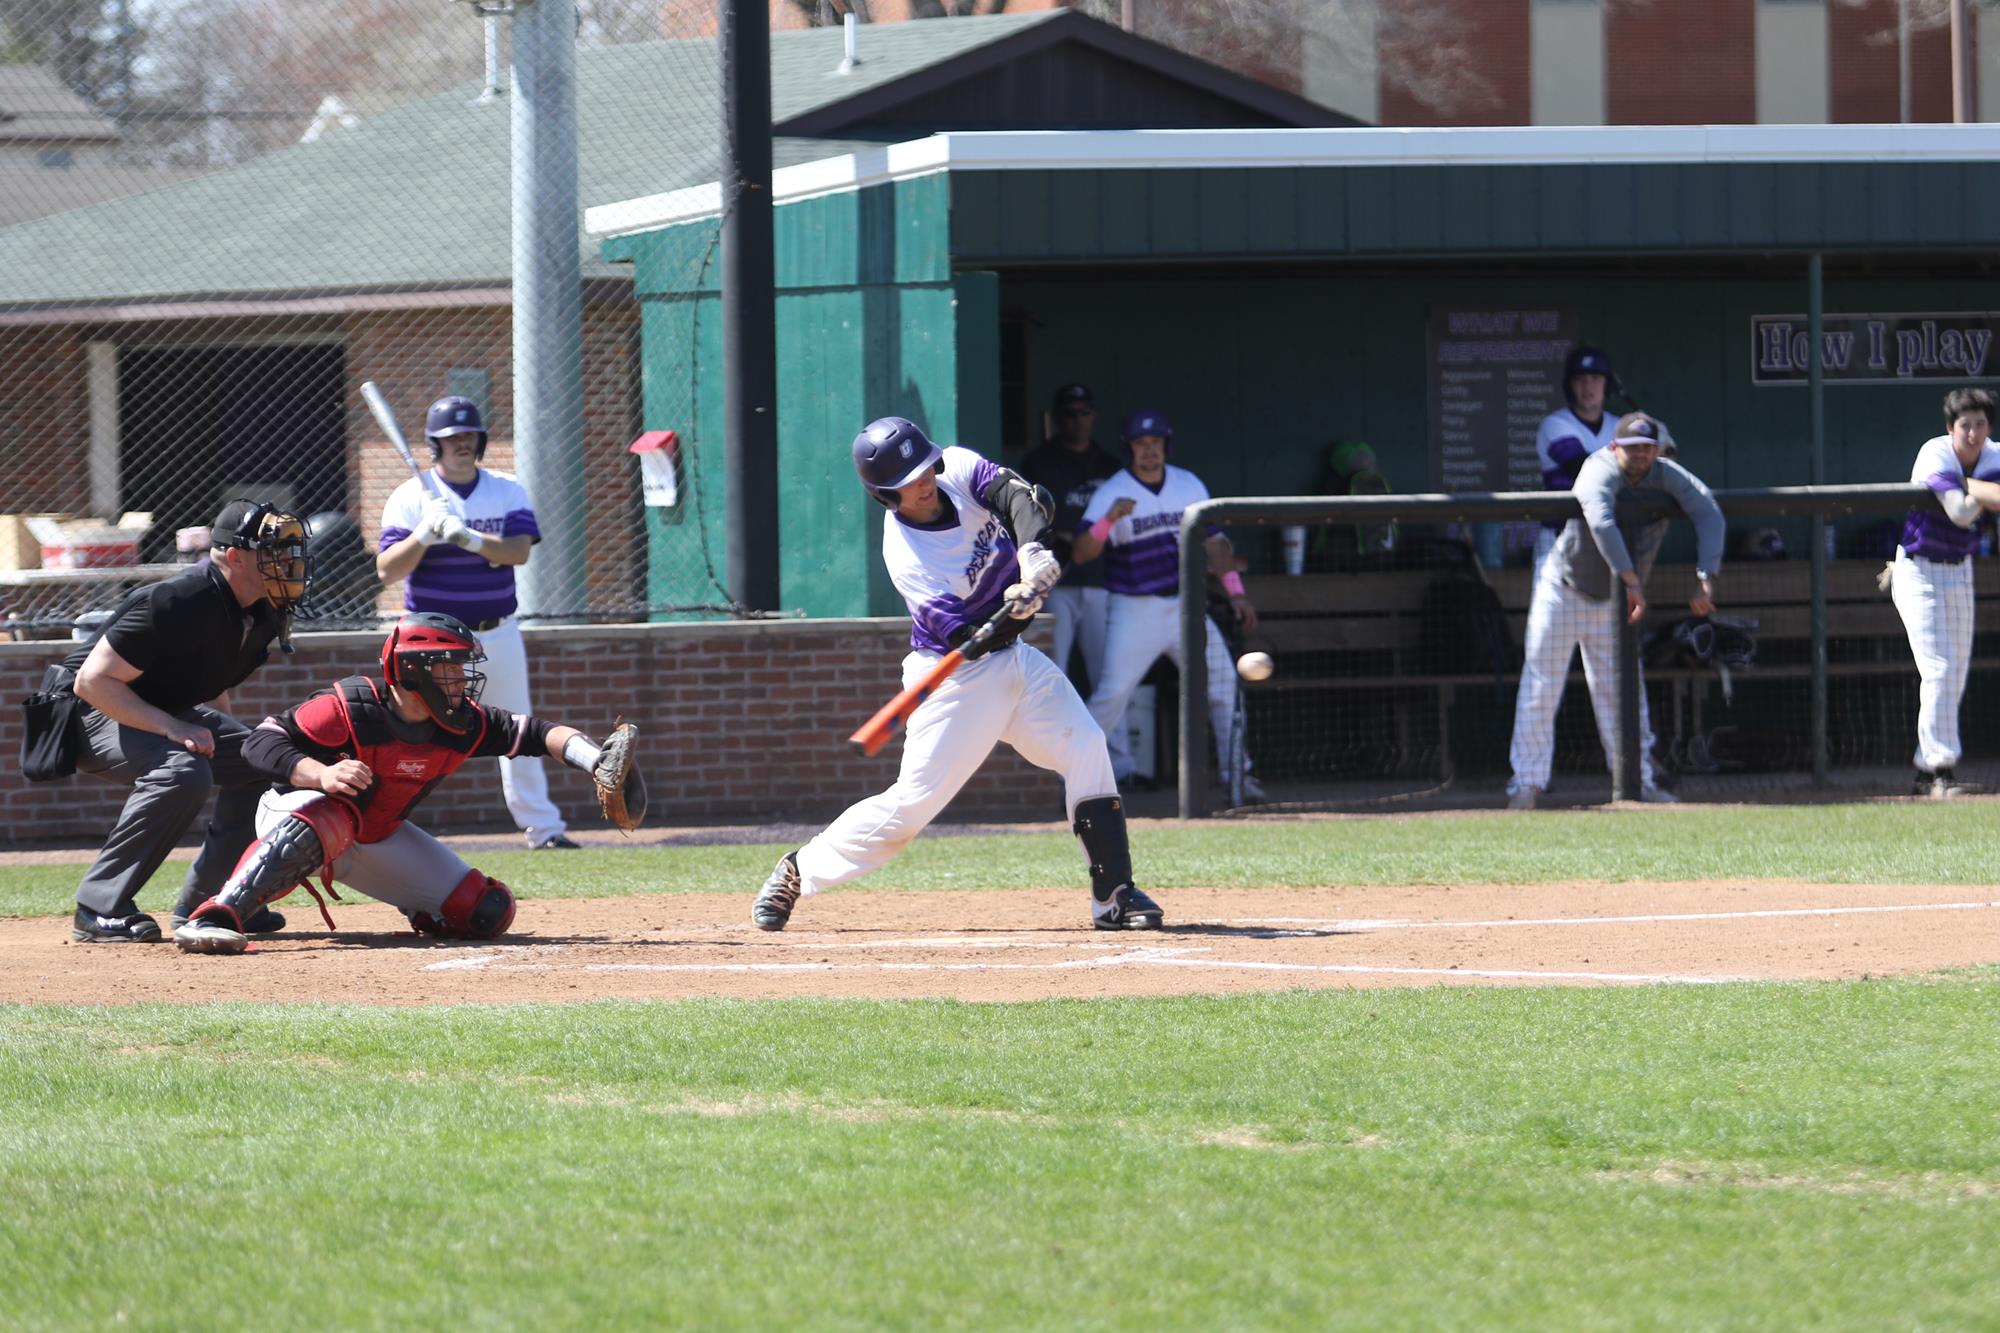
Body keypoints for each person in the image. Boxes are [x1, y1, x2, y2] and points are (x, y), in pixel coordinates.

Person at [750, 416, 1162, 935]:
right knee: (910, 806)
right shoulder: (906, 553)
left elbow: (1018, 497)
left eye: (924, 470)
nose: (923, 485)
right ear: (885, 495)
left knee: (1085, 744)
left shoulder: (959, 469)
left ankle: (1115, 895)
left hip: (1015, 657)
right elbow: (964, 635)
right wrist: (1020, 605)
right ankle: (798, 869)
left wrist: (1032, 554)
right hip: (957, 675)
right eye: (907, 483)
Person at [173, 613, 637, 954]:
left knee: (486, 911)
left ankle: (417, 905)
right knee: (337, 812)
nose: (461, 679)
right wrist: (322, 774)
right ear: (414, 671)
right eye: (449, 668)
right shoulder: (352, 706)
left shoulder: (462, 723)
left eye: (461, 668)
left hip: (373, 834)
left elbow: (537, 733)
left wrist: (596, 760)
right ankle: (219, 913)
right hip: (293, 812)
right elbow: (261, 745)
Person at [57, 499, 309, 942]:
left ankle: (212, 903)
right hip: (87, 711)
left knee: (261, 763)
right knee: (184, 769)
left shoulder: (263, 608)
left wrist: (237, 749)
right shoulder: (178, 599)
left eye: (289, 550)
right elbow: (92, 683)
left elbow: (212, 680)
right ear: (234, 556)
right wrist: (174, 729)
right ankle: (98, 907)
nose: (287, 561)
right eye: (273, 551)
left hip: (151, 706)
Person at [376, 395, 574, 850]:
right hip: (429, 639)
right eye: (451, 438)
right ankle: (384, 824)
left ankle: (544, 831)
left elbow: (518, 551)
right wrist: (425, 535)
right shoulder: (410, 496)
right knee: (414, 731)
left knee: (518, 730)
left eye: (468, 436)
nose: (461, 444)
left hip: (495, 631)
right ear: (435, 444)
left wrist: (466, 537)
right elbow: (388, 569)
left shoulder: (506, 489)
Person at [1506, 412, 1724, 809]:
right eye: (1632, 448)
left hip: (1616, 601)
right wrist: (1631, 579)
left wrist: (1706, 574)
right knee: (1541, 687)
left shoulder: (1666, 474)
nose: (1641, 455)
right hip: (1566, 590)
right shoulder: (1597, 469)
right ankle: (1527, 785)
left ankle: (1637, 782)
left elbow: (1708, 509)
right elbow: (1603, 522)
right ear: (1614, 447)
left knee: (1624, 693)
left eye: (1650, 448)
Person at [1072, 409, 1262, 800]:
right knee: (1113, 694)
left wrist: (1235, 591)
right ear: (1129, 449)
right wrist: (1108, 520)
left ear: (1166, 445)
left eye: (1155, 443)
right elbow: (1080, 553)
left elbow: (1215, 545)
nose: (1149, 452)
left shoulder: (1187, 484)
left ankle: (1238, 776)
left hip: (1186, 607)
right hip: (1134, 608)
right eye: (1141, 445)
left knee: (1225, 686)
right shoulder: (1113, 491)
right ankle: (1071, 775)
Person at [1888, 386, 2000, 798]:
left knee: (1955, 673)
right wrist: (1982, 488)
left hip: (1961, 571)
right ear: (1951, 428)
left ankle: (1925, 767)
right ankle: (1941, 768)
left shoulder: (1995, 454)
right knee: (1938, 669)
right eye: (1964, 425)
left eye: (1980, 425)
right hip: (1919, 571)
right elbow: (1960, 514)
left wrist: (1971, 484)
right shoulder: (1933, 454)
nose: (1972, 433)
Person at [1016, 383, 1122, 694]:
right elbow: (1043, 523)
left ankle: (1110, 744)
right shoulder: (1039, 462)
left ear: (1093, 415)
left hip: (1100, 580)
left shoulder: (1109, 465)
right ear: (1058, 418)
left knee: (1107, 674)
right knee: (1051, 668)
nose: (1077, 420)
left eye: (1083, 413)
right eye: (1069, 414)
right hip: (1055, 582)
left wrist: (1083, 534)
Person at [1532, 346, 1623, 570]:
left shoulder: (1620, 426)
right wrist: (1628, 460)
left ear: (1606, 384)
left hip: (1606, 537)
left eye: (1595, 378)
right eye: (1580, 379)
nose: (1588, 386)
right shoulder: (1554, 424)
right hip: (1559, 537)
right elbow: (1581, 468)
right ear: (1569, 385)